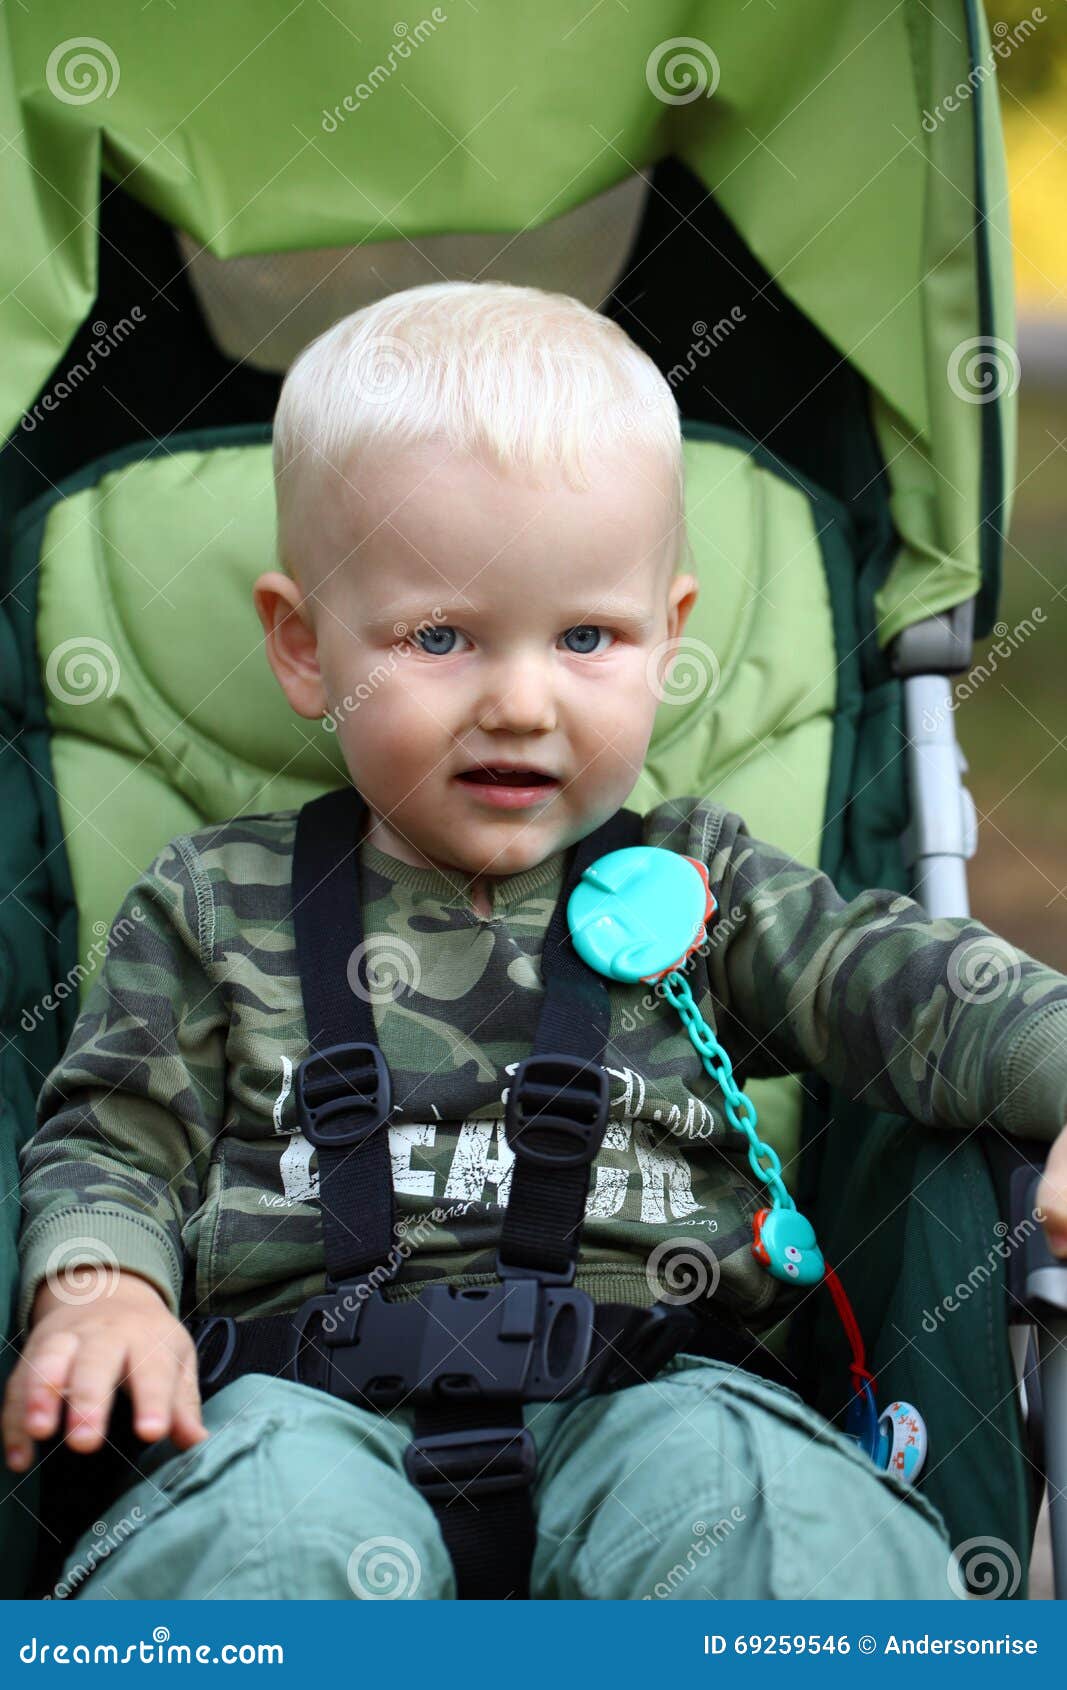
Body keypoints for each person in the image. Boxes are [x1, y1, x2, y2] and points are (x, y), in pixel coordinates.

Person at [4, 282, 1067, 1601]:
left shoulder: (702, 886)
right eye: (439, 637)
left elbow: (923, 992)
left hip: (655, 1390)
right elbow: (114, 1133)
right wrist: (101, 1283)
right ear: (303, 645)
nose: (520, 700)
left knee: (767, 1516)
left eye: (585, 637)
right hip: (296, 1399)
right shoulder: (215, 903)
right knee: (259, 1540)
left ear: (668, 637)